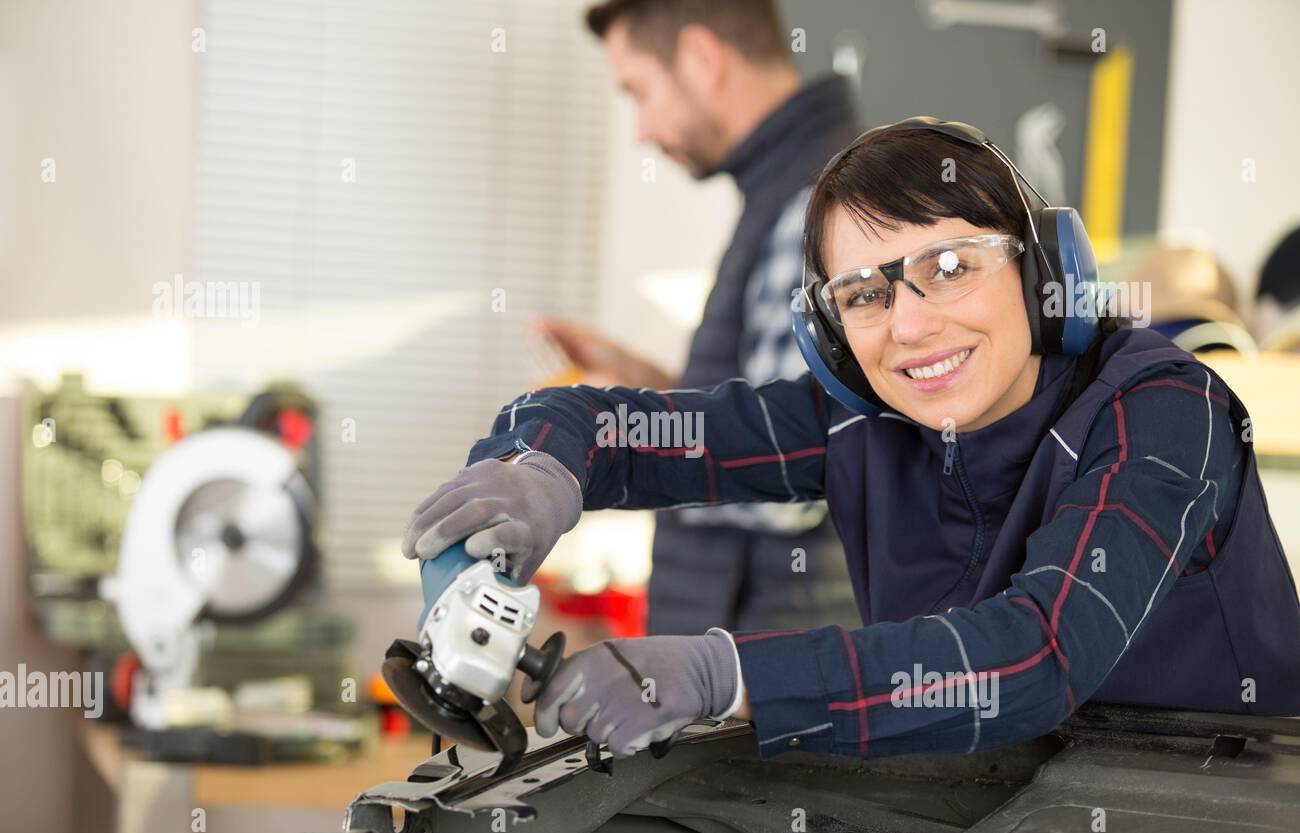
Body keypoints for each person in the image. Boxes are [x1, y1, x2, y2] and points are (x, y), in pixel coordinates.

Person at [402, 118, 1300, 761]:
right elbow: (623, 430)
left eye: (948, 269)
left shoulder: (1163, 410)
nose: (910, 326)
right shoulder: (863, 415)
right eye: (865, 294)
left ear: (1043, 274)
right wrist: (538, 468)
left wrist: (725, 674)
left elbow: (1032, 658)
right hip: (982, 787)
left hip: (1208, 818)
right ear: (830, 334)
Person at [534, 0, 861, 636]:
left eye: (640, 91)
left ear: (701, 59)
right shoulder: (795, 187)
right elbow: (775, 410)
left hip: (758, 676)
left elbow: (791, 468)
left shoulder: (816, 205)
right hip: (743, 662)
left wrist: (611, 430)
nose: (642, 129)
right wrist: (649, 382)